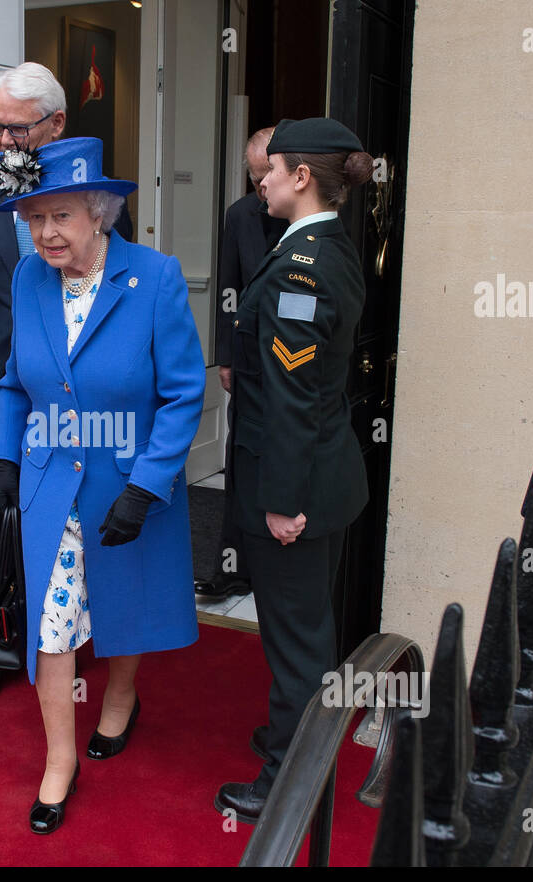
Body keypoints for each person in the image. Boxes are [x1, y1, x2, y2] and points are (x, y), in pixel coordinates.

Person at [0, 137, 204, 833]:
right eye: (34, 219)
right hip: (53, 482)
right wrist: (5, 458)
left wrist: (146, 486)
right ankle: (59, 761)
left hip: (127, 483)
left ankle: (122, 699)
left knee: (124, 599)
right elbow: (13, 381)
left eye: (60, 217)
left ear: (99, 213)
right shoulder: (27, 279)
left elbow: (181, 393)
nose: (46, 234)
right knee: (51, 630)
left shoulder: (155, 277)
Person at [0, 63, 133, 707]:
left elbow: (114, 291)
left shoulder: (96, 196)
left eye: (17, 128)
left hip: (74, 403)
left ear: (57, 124)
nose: (4, 140)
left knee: (71, 520)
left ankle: (73, 636)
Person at [213, 118, 373, 824]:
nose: (263, 183)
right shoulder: (330, 245)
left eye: (271, 171)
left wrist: (280, 501)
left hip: (295, 489)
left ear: (301, 176)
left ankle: (289, 781)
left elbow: (292, 396)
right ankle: (294, 737)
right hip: (325, 476)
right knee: (307, 629)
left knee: (298, 642)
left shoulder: (301, 267)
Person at [195, 126, 285, 606]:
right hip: (248, 362)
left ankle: (275, 568)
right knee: (240, 468)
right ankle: (232, 569)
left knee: (283, 466)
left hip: (292, 366)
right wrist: (225, 358)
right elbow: (228, 289)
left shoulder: (307, 218)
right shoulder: (239, 215)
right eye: (253, 179)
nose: (261, 189)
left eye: (267, 176)